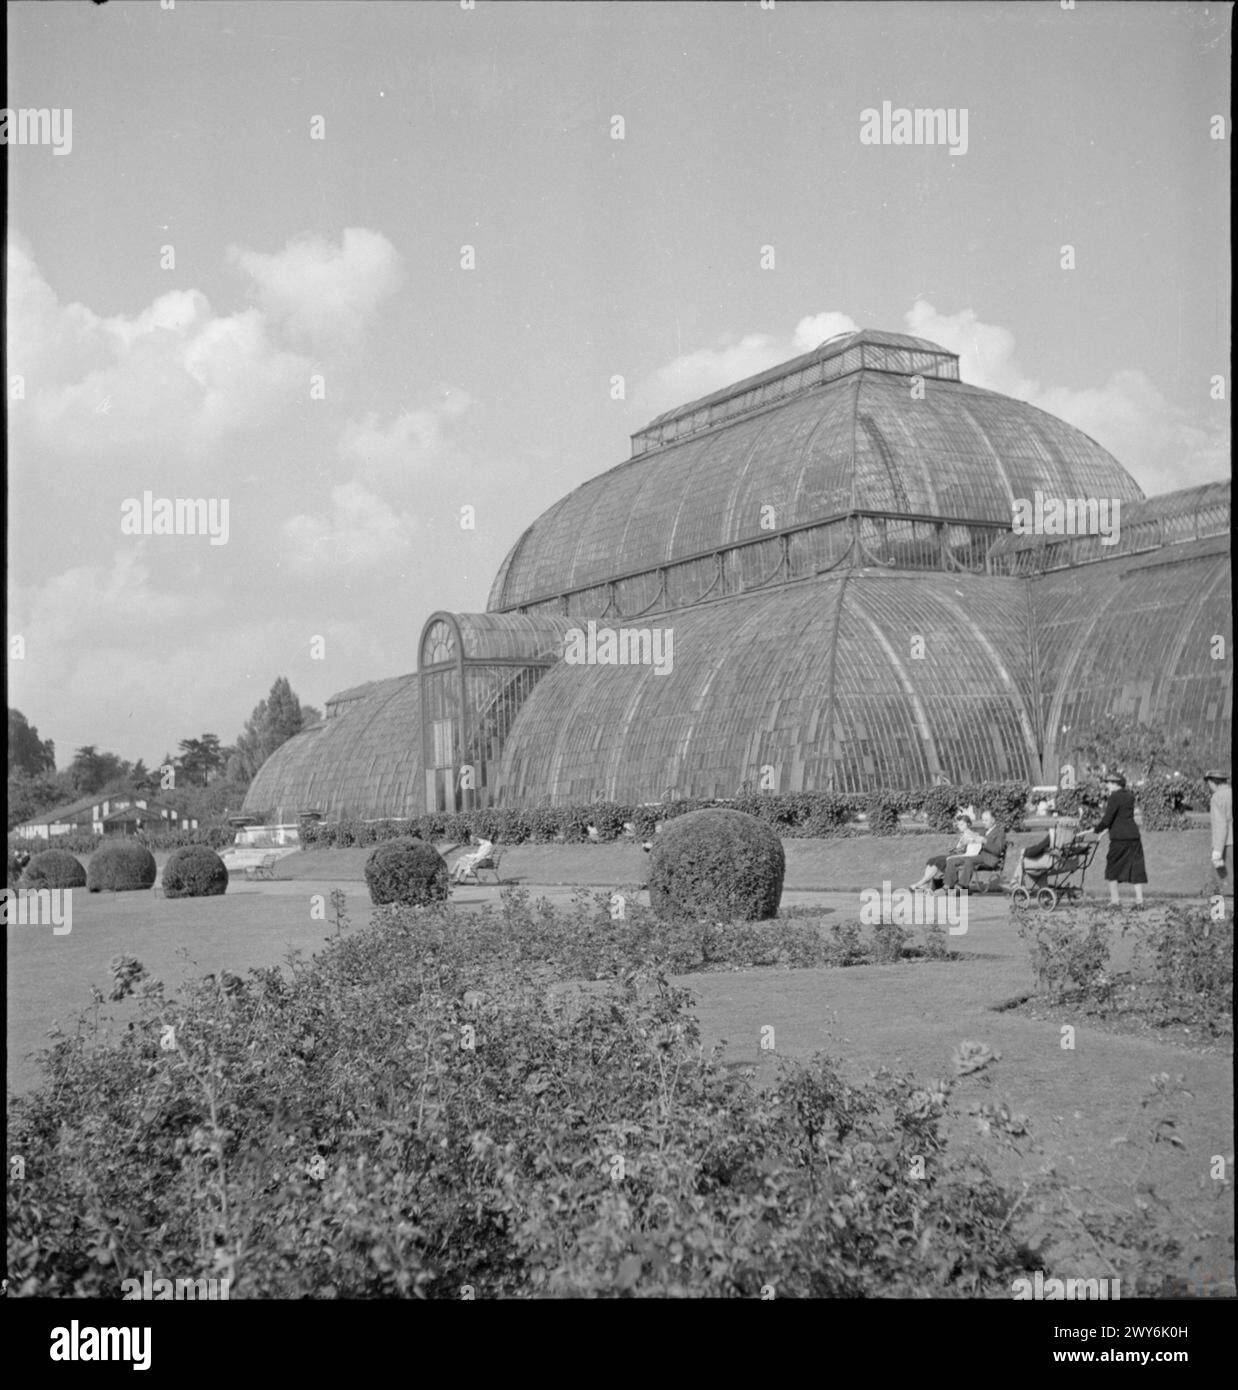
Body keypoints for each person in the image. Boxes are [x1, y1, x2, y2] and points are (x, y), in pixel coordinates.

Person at [1094, 772, 1146, 908]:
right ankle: (1140, 901)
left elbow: (1108, 818)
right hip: (1134, 836)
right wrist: (1105, 831)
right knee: (1136, 868)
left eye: (1109, 783)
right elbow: (1121, 817)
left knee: (1112, 868)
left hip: (1119, 840)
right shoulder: (1130, 796)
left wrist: (1097, 829)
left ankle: (1115, 901)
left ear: (1116, 784)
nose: (1107, 785)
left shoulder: (1114, 797)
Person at [1006, 815, 1090, 891]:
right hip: (1070, 864)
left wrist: (1025, 852)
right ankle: (1044, 890)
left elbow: (1039, 848)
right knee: (1038, 870)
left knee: (1023, 861)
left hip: (1053, 863)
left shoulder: (1055, 835)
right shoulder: (1076, 837)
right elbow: (1079, 849)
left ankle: (1015, 885)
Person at [910, 814, 981, 892]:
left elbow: (971, 852)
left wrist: (955, 854)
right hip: (955, 855)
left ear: (968, 824)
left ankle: (920, 884)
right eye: (958, 824)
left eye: (962, 824)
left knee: (938, 861)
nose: (959, 826)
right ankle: (924, 884)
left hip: (961, 857)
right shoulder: (964, 835)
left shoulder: (973, 835)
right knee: (933, 860)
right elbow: (958, 849)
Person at [943, 806, 1006, 893]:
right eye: (983, 820)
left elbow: (998, 850)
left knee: (969, 861)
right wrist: (969, 841)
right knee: (952, 860)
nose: (983, 822)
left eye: (986, 820)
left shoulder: (999, 833)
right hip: (978, 856)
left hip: (990, 859)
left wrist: (985, 841)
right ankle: (949, 885)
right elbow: (976, 842)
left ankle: (962, 887)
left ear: (993, 820)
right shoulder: (984, 831)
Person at [1205, 768, 1233, 895]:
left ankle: (1219, 914)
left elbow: (1221, 825)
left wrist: (1217, 851)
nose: (1208, 786)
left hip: (1225, 845)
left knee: (1218, 884)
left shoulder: (1217, 797)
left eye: (1208, 783)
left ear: (1213, 782)